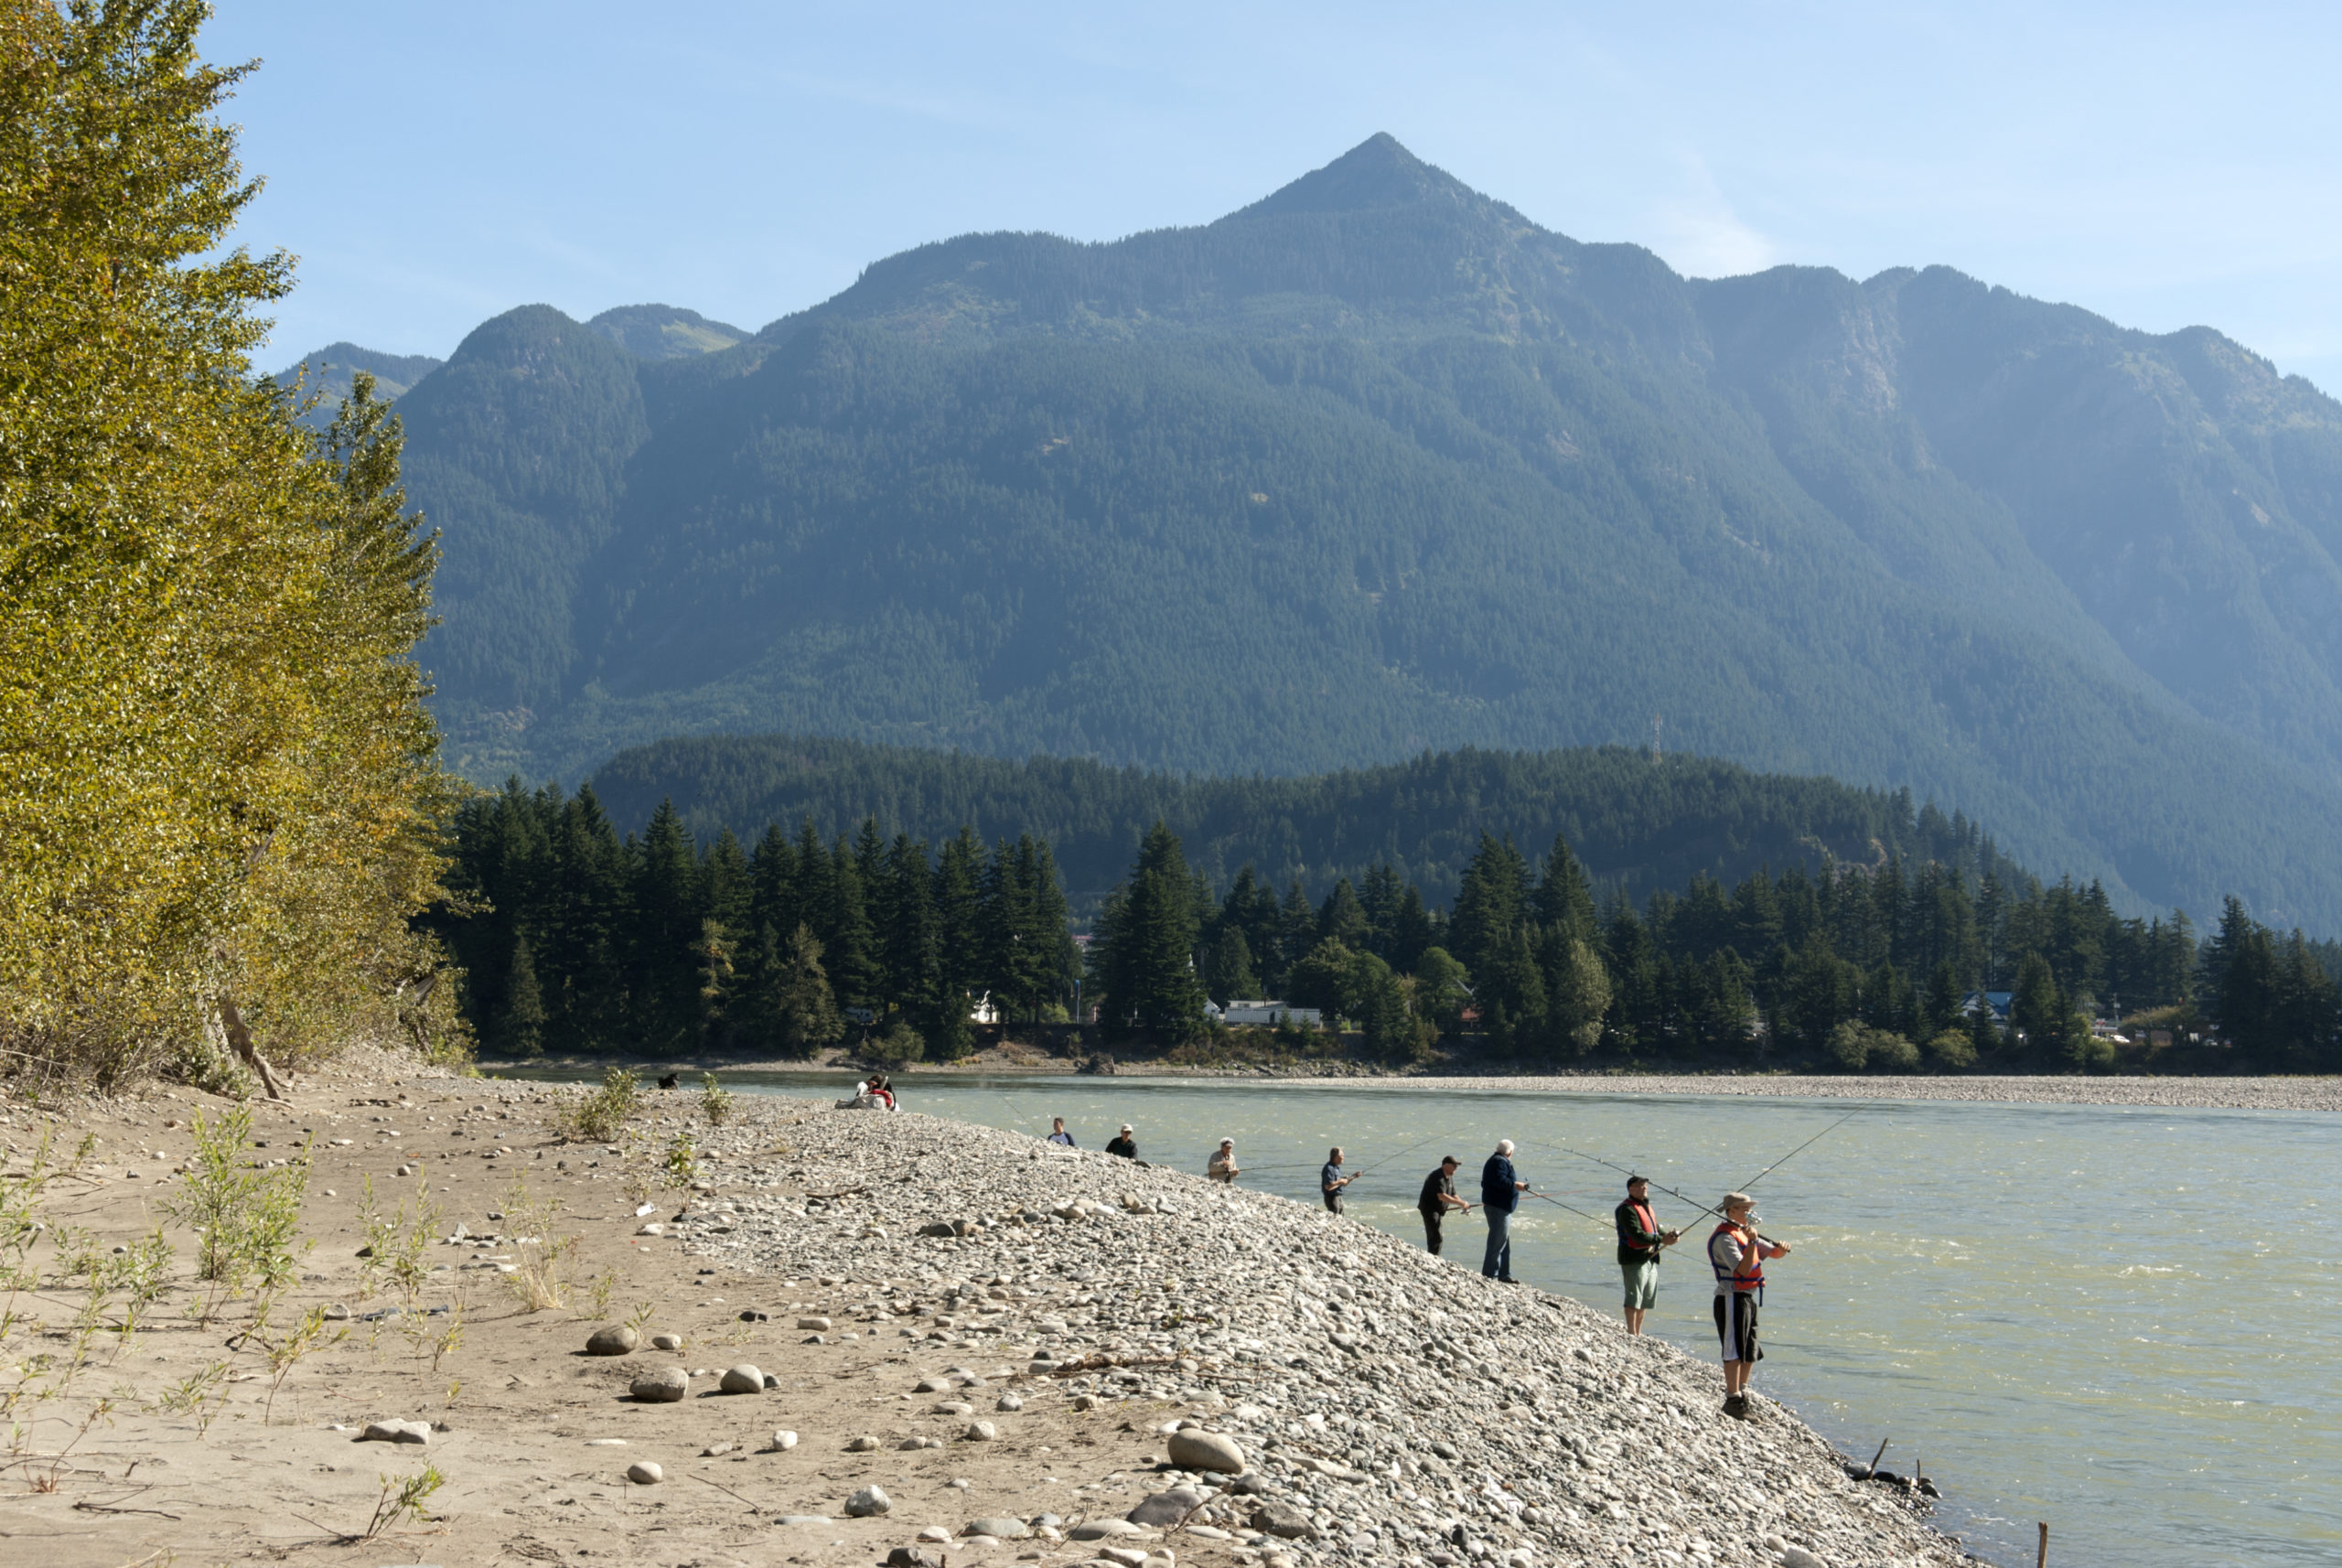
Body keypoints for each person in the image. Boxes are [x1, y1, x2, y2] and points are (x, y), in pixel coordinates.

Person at [1709, 1190, 1789, 1420]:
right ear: (1731, 1211)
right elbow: (1742, 1270)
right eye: (1744, 1209)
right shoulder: (1725, 1238)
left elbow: (1773, 1254)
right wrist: (1753, 1241)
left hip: (1747, 1297)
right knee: (1733, 1348)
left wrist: (1781, 1249)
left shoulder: (1743, 1233)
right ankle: (1732, 1398)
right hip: (1730, 1296)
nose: (1749, 1213)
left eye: (1749, 1209)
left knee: (1749, 1348)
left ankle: (1742, 1394)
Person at [1614, 1174, 1680, 1336]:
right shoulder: (1626, 1209)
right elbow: (1637, 1235)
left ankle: (1638, 1332)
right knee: (1633, 1297)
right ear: (1631, 1189)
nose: (1644, 1188)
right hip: (1634, 1259)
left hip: (1650, 1258)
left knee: (1645, 1298)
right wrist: (1662, 1239)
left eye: (1645, 1186)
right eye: (1640, 1186)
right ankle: (1631, 1332)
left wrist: (1668, 1236)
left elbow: (1654, 1228)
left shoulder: (1645, 1207)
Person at [1480, 1140, 1527, 1282]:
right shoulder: (1499, 1162)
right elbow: (1500, 1181)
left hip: (1499, 1207)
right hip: (1498, 1208)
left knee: (1503, 1242)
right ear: (1510, 1152)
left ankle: (1504, 1274)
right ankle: (1489, 1275)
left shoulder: (1495, 1161)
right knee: (1497, 1243)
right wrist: (1516, 1185)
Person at [1416, 1155, 1471, 1254]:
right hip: (1430, 1208)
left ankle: (1434, 1256)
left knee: (1437, 1235)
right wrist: (1461, 1203)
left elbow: (1453, 1194)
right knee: (1436, 1236)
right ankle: (1433, 1257)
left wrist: (1463, 1204)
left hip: (1438, 1209)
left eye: (1456, 1166)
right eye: (1454, 1165)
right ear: (1445, 1165)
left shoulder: (1448, 1176)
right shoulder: (1437, 1176)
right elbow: (1441, 1196)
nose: (1456, 1168)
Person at [1319, 1147, 1356, 1214]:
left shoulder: (1336, 1168)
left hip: (1338, 1196)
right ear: (1336, 1157)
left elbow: (1341, 1184)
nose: (1343, 1158)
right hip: (1331, 1197)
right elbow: (1328, 1186)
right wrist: (1340, 1181)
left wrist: (1354, 1177)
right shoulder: (1329, 1168)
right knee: (1335, 1217)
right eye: (1342, 1156)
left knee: (1341, 1216)